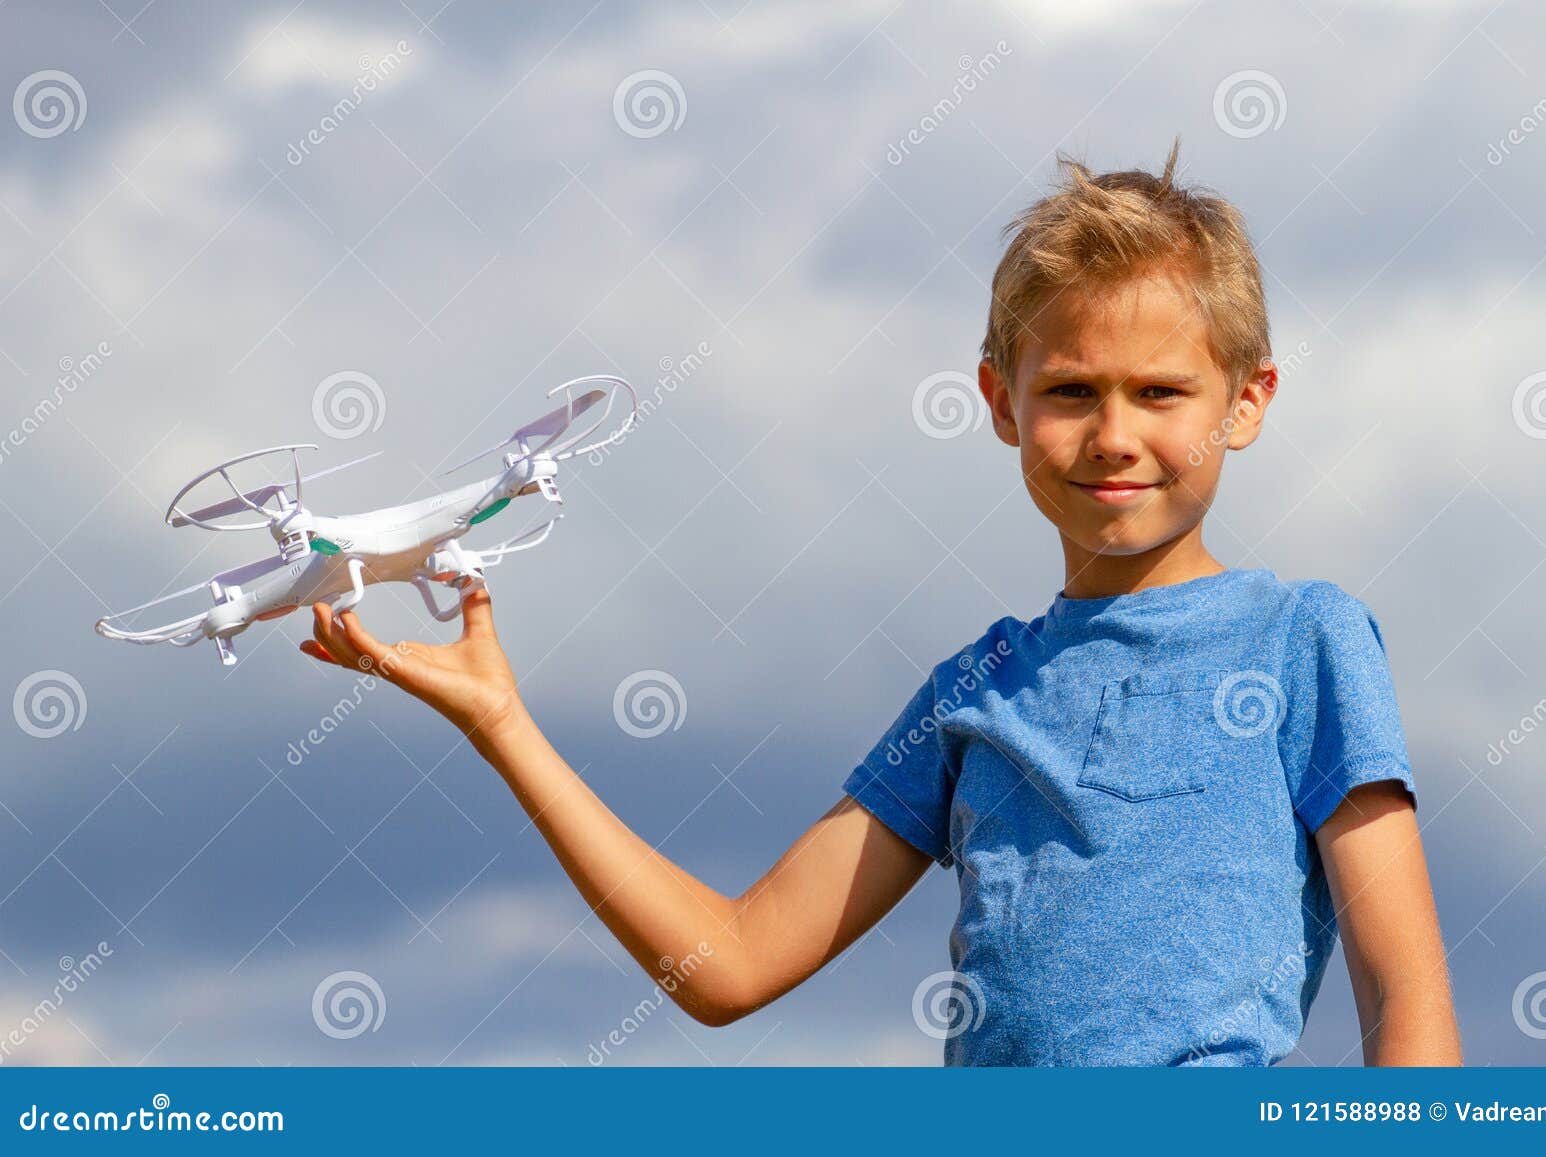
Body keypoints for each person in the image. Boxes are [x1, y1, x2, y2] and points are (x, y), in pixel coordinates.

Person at [300, 138, 1462, 1066]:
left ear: (1246, 400)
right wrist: (503, 723)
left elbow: (1405, 999)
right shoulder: (973, 694)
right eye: (1069, 390)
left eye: (1161, 390)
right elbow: (728, 964)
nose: (1114, 434)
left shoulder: (1304, 639)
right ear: (999, 402)